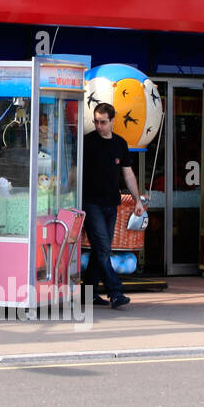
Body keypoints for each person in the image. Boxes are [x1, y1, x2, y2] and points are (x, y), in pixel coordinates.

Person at [82, 102, 144, 309]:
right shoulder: (87, 142)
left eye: (103, 122)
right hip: (91, 203)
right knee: (103, 248)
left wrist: (137, 200)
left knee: (101, 249)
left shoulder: (120, 143)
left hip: (111, 203)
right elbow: (75, 171)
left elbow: (128, 173)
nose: (99, 126)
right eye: (96, 122)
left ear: (113, 121)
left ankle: (88, 293)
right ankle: (115, 291)